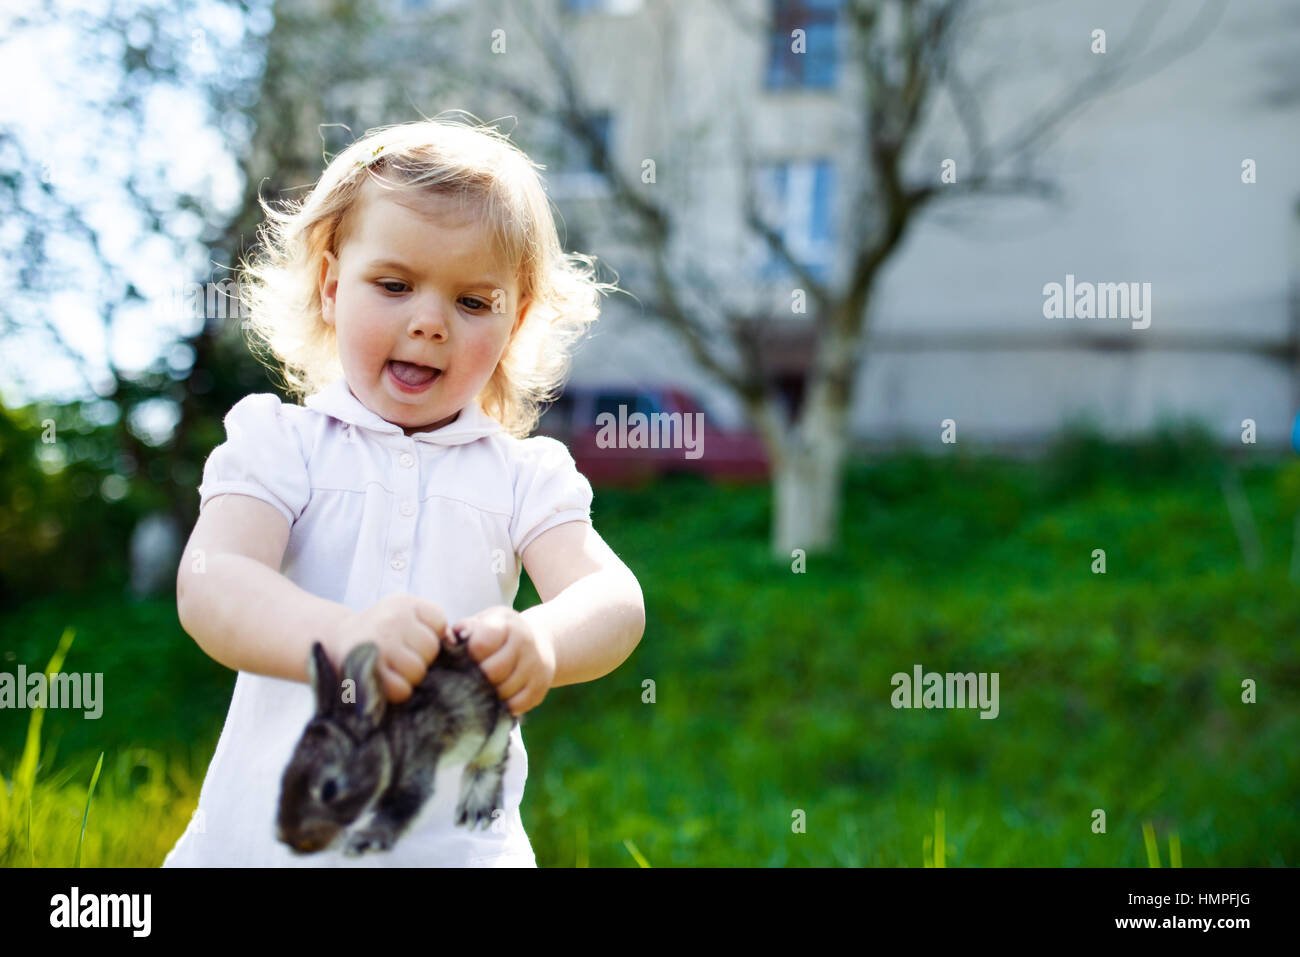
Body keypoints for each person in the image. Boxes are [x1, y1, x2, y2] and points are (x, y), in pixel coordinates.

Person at [163, 114, 645, 867]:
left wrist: (541, 640)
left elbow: (614, 599)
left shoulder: (523, 477)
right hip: (262, 845)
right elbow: (211, 582)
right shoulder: (281, 443)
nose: (429, 323)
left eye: (473, 302)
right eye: (394, 285)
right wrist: (344, 639)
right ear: (330, 287)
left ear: (513, 324)